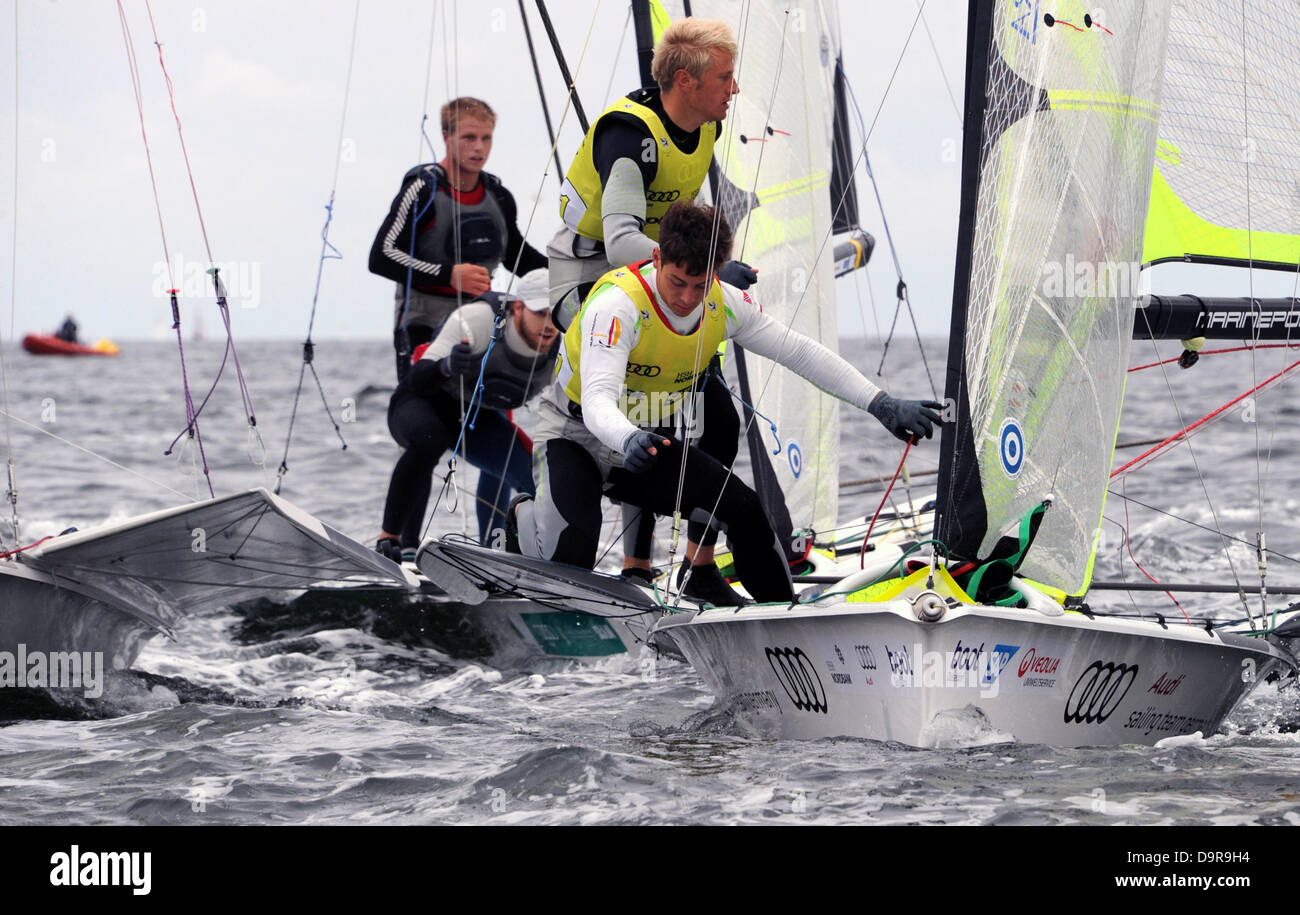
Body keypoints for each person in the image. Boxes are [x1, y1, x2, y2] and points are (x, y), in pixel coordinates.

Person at [511, 202, 942, 605]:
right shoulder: (617, 306)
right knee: (571, 562)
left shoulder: (725, 303)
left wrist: (880, 403)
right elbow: (598, 401)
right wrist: (628, 438)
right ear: (657, 260)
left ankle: (784, 623)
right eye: (676, 282)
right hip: (576, 437)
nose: (685, 298)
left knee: (745, 511)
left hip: (643, 446)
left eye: (699, 285)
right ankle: (521, 517)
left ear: (716, 273)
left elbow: (798, 352)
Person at [547, 17, 757, 603]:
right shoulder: (628, 137)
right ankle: (602, 546)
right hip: (588, 275)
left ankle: (695, 565)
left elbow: (681, 232)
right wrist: (708, 270)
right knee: (646, 392)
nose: (732, 89)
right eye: (724, 77)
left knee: (716, 415)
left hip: (664, 277)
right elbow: (619, 242)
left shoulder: (707, 128)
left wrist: (704, 271)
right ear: (686, 81)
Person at [376, 269, 559, 562]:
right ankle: (389, 539)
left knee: (538, 478)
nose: (549, 325)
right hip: (422, 402)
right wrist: (446, 366)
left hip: (478, 418)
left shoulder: (563, 348)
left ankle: (517, 559)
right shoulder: (478, 320)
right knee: (430, 439)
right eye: (540, 313)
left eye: (555, 315)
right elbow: (416, 380)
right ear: (518, 308)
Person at [370, 97, 547, 382]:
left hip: (479, 323)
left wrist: (572, 275)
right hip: (423, 325)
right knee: (430, 410)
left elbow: (519, 257)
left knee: (483, 413)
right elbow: (381, 256)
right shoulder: (421, 191)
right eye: (469, 138)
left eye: (486, 138)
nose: (479, 147)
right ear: (446, 137)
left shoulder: (498, 196)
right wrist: (448, 275)